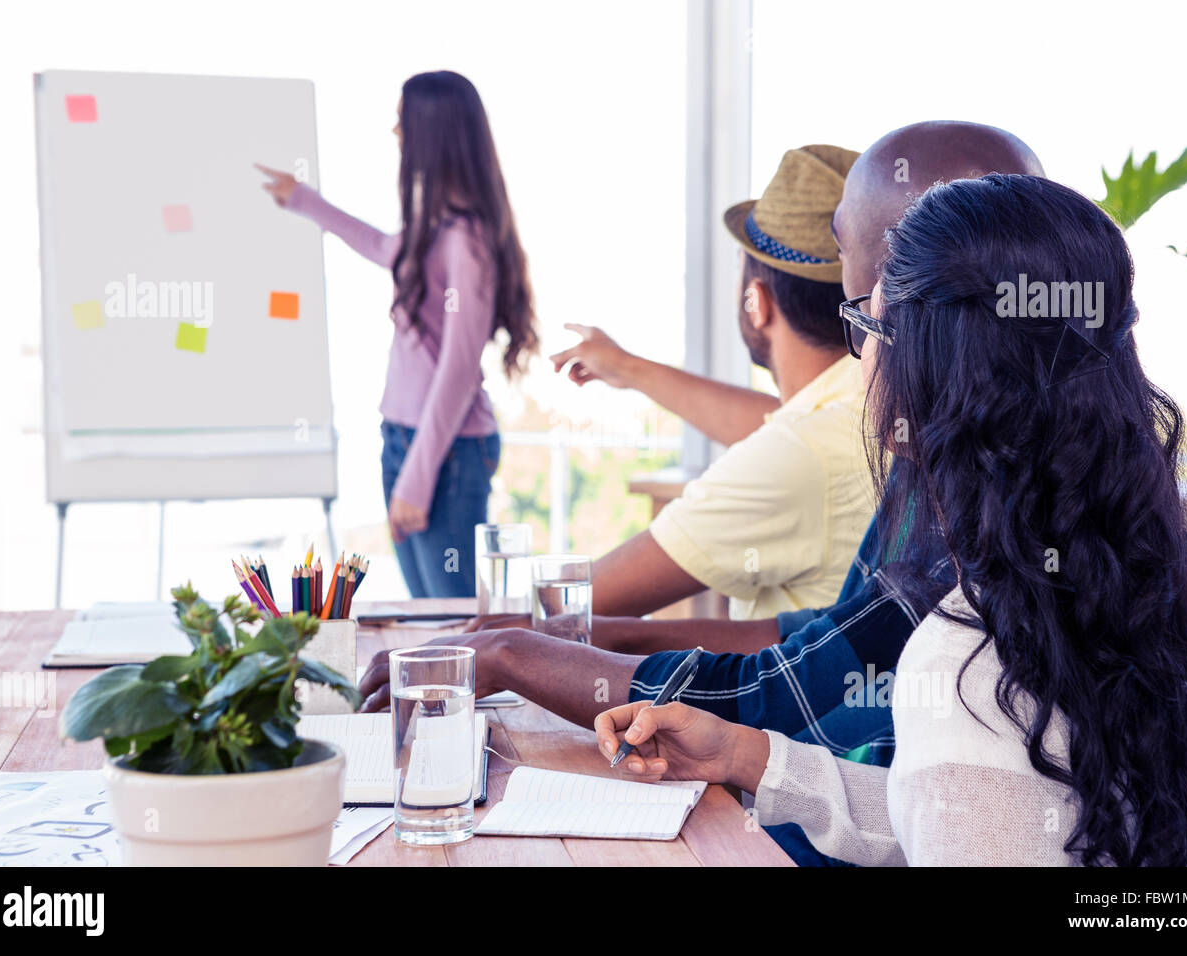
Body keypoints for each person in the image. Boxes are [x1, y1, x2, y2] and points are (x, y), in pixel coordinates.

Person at [362, 120, 1047, 864]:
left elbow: (793, 686)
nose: (863, 373)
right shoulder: (996, 461)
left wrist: (509, 648)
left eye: (870, 328)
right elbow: (831, 655)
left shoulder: (892, 482)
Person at [593, 173, 1187, 866]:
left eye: (869, 328)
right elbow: (985, 809)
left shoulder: (965, 663)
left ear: (932, 373)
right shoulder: (1177, 582)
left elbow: (972, 804)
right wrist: (747, 756)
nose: (861, 362)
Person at [552, 145, 874, 620]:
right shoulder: (871, 397)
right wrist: (629, 368)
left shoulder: (801, 454)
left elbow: (572, 608)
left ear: (756, 301)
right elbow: (776, 425)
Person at [258, 70, 536, 598]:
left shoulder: (466, 242)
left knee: (450, 624)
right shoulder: (435, 228)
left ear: (434, 131)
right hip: (406, 440)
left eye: (403, 120)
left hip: (446, 452)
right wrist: (304, 200)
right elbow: (383, 246)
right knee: (434, 614)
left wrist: (417, 476)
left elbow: (457, 369)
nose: (395, 132)